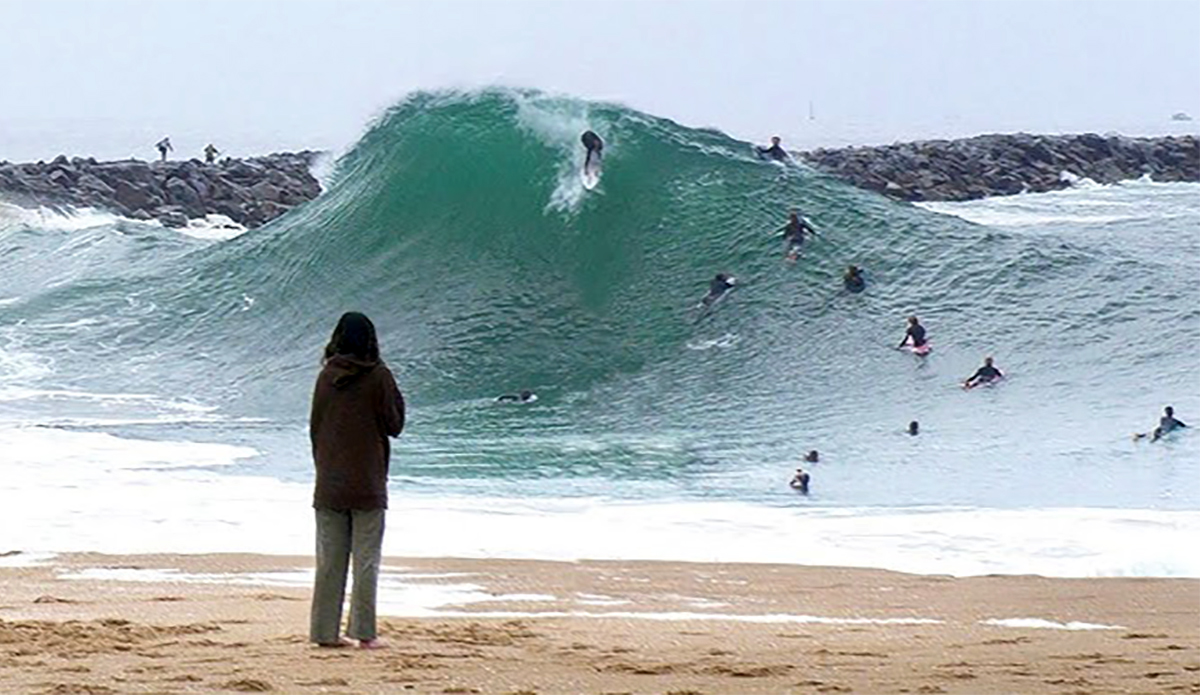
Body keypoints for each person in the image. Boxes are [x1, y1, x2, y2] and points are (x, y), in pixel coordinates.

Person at [309, 312, 405, 649]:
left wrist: (325, 469)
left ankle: (324, 633)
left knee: (329, 563)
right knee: (365, 562)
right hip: (367, 482)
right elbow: (395, 424)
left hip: (329, 482)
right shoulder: (379, 376)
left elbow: (315, 429)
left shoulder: (325, 377)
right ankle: (364, 634)